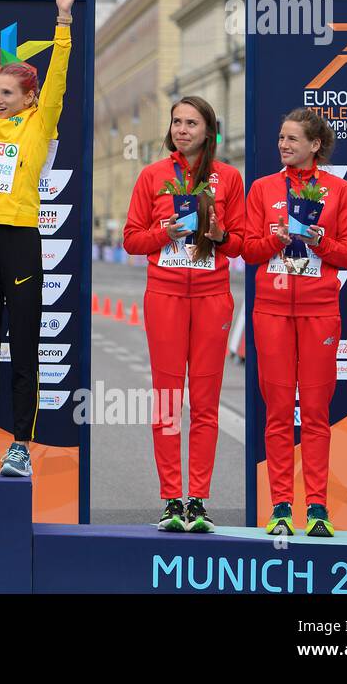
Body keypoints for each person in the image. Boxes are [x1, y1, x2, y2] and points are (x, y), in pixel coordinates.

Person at [0, 0, 78, 479]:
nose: (2, 98)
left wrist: (64, 18)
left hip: (22, 242)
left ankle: (22, 447)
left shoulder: (40, 123)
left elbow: (58, 79)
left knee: (24, 346)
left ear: (29, 99)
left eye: (11, 92)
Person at [121, 95, 245, 531]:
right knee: (169, 401)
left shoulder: (229, 178)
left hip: (213, 298)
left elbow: (242, 242)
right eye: (177, 122)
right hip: (166, 296)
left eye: (191, 123)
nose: (182, 129)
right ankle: (172, 499)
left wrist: (220, 233)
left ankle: (199, 498)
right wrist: (162, 233)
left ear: (208, 131)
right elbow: (131, 239)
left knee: (206, 404)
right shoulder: (152, 175)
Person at [242, 108, 347, 537]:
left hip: (319, 311)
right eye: (280, 137)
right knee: (276, 414)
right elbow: (249, 250)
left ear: (315, 145)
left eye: (292, 139)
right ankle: (281, 507)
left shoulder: (339, 191)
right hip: (271, 309)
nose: (283, 145)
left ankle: (319, 509)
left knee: (314, 413)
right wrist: (277, 237)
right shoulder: (263, 188)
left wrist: (318, 239)